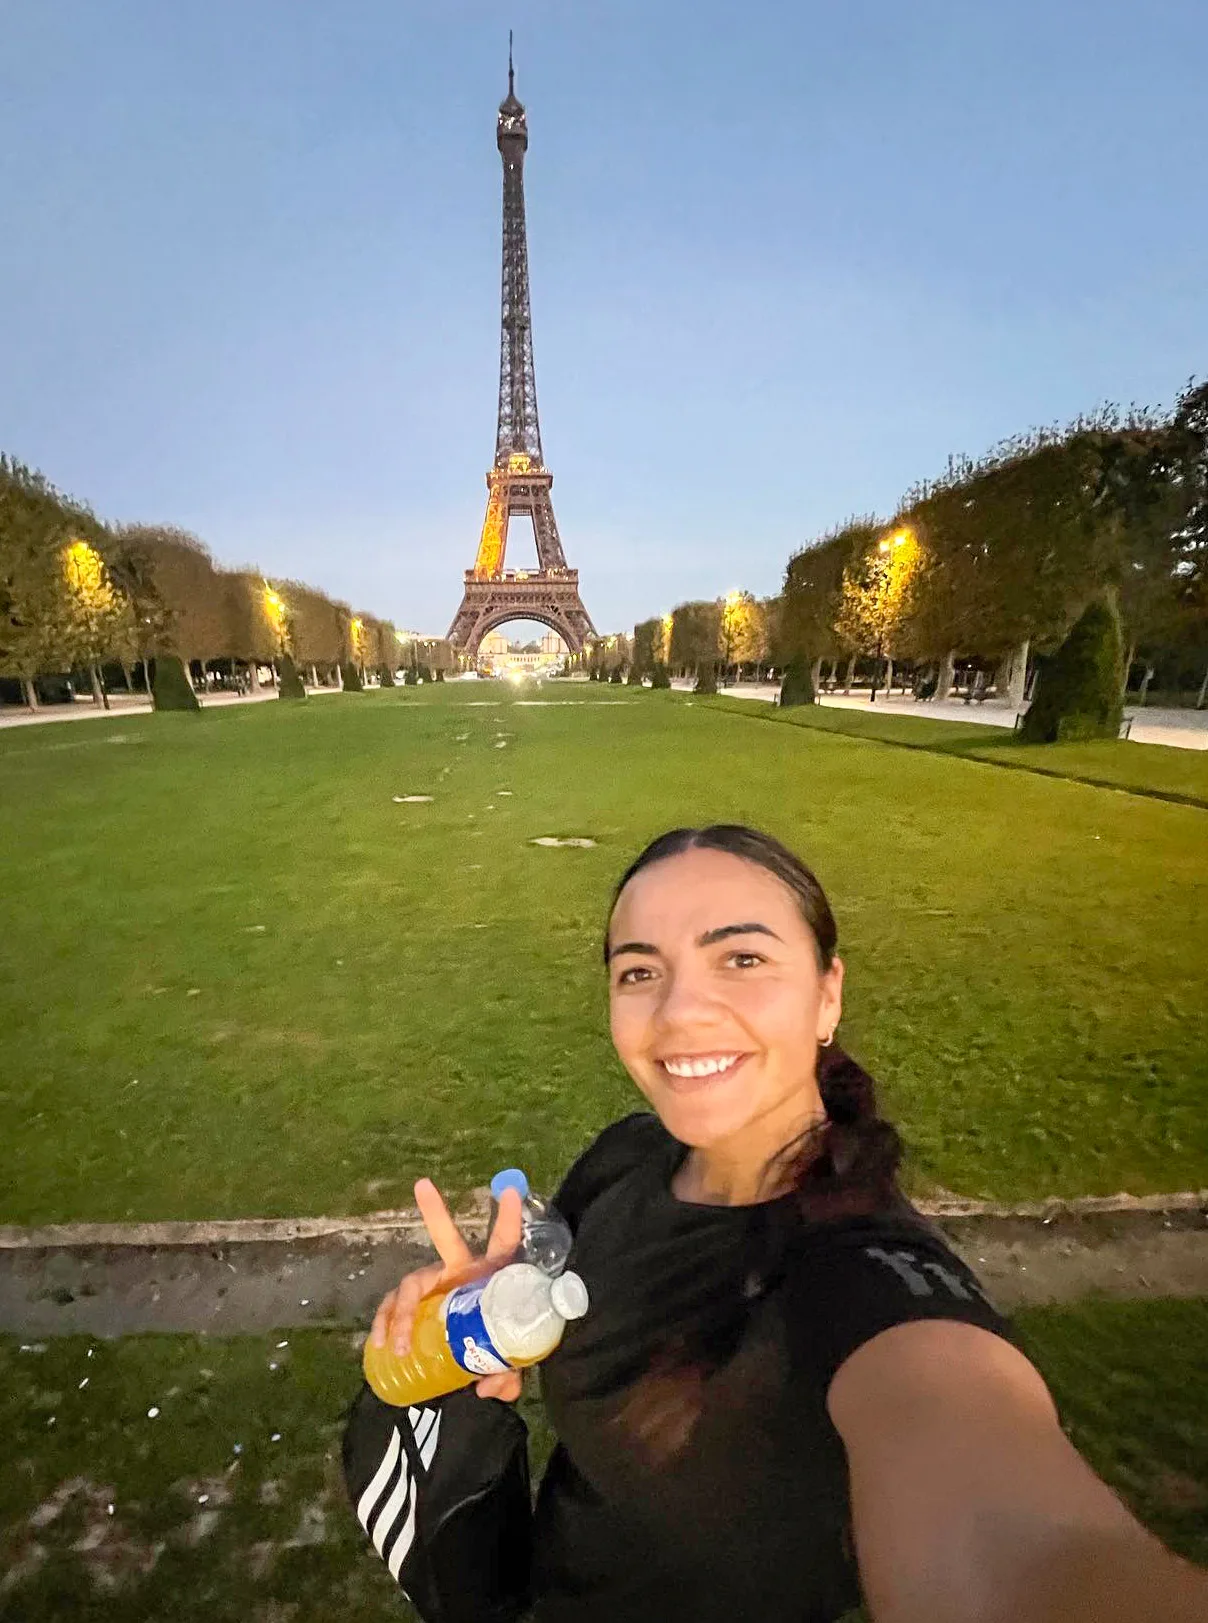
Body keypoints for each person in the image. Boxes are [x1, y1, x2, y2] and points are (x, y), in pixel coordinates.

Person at [368, 825, 1208, 1623]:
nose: (680, 1012)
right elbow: (598, 1301)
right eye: (638, 971)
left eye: (741, 957)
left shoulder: (865, 1286)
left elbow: (1011, 1540)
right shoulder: (629, 1153)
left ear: (827, 993)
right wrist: (506, 1314)